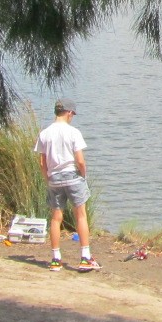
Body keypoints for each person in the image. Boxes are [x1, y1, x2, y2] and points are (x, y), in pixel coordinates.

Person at [34, 97, 95, 271]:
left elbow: (42, 163)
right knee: (81, 215)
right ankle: (85, 257)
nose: (72, 117)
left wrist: (47, 179)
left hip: (54, 178)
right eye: (72, 114)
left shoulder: (45, 133)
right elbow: (80, 161)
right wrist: (83, 176)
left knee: (55, 218)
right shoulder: (73, 132)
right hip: (72, 176)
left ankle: (55, 259)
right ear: (69, 113)